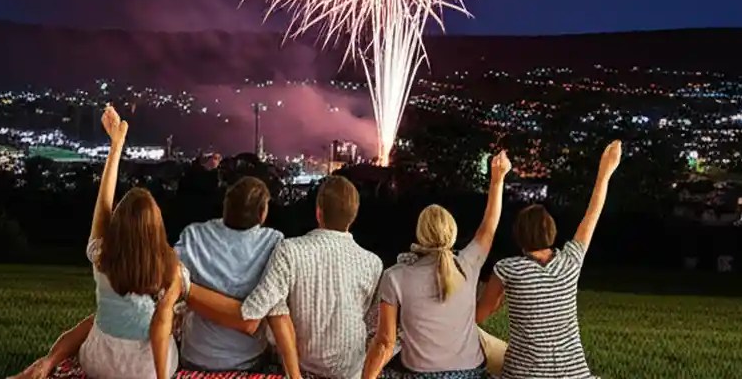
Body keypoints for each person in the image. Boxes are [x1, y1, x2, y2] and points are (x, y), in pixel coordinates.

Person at [9, 106, 187, 379]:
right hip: (147, 370)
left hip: (98, 364)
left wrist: (116, 146)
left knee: (96, 320)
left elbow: (103, 208)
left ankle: (48, 362)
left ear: (118, 225)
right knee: (172, 318)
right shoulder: (171, 267)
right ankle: (47, 362)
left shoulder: (102, 254)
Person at [186, 175, 382, 379]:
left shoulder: (290, 251)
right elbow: (374, 327)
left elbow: (251, 314)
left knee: (277, 308)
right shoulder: (373, 263)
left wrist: (187, 289)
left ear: (318, 212)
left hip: (302, 369)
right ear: (354, 215)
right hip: (352, 373)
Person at [475, 140, 622, 379]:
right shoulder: (570, 262)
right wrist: (605, 171)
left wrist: (497, 180)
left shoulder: (507, 270)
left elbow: (478, 316)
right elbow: (591, 215)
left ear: (518, 235)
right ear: (551, 232)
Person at [361, 151, 513, 379]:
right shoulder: (467, 265)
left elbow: (385, 342)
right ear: (452, 233)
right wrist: (497, 180)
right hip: (470, 373)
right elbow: (488, 227)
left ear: (420, 234)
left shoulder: (395, 276)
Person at [173, 176, 285, 370]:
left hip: (196, 355)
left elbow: (168, 279)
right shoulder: (273, 242)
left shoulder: (193, 236)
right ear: (262, 213)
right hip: (248, 360)